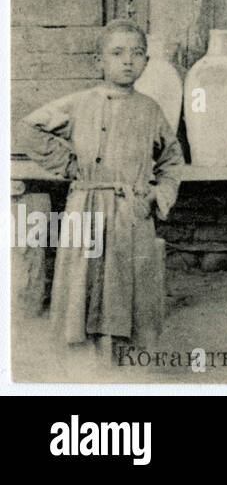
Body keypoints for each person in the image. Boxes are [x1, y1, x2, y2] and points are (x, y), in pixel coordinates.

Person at [16, 19, 184, 362]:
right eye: (117, 53)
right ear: (99, 61)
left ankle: (121, 351)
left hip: (130, 209)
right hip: (86, 203)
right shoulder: (79, 103)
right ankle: (83, 355)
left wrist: (157, 195)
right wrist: (70, 165)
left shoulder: (150, 109)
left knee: (127, 275)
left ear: (146, 63)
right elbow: (29, 129)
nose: (128, 61)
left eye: (137, 54)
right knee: (83, 273)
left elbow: (171, 160)